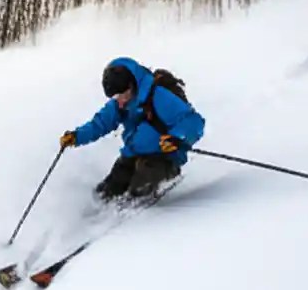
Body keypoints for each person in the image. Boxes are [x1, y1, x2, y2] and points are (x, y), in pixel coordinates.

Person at [59, 57, 205, 200]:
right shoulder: (119, 104)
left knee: (138, 191)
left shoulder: (158, 96)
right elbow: (99, 124)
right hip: (133, 155)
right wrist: (77, 136)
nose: (120, 101)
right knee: (106, 193)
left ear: (131, 85)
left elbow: (193, 121)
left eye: (122, 95)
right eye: (115, 97)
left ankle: (164, 181)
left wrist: (176, 138)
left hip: (162, 157)